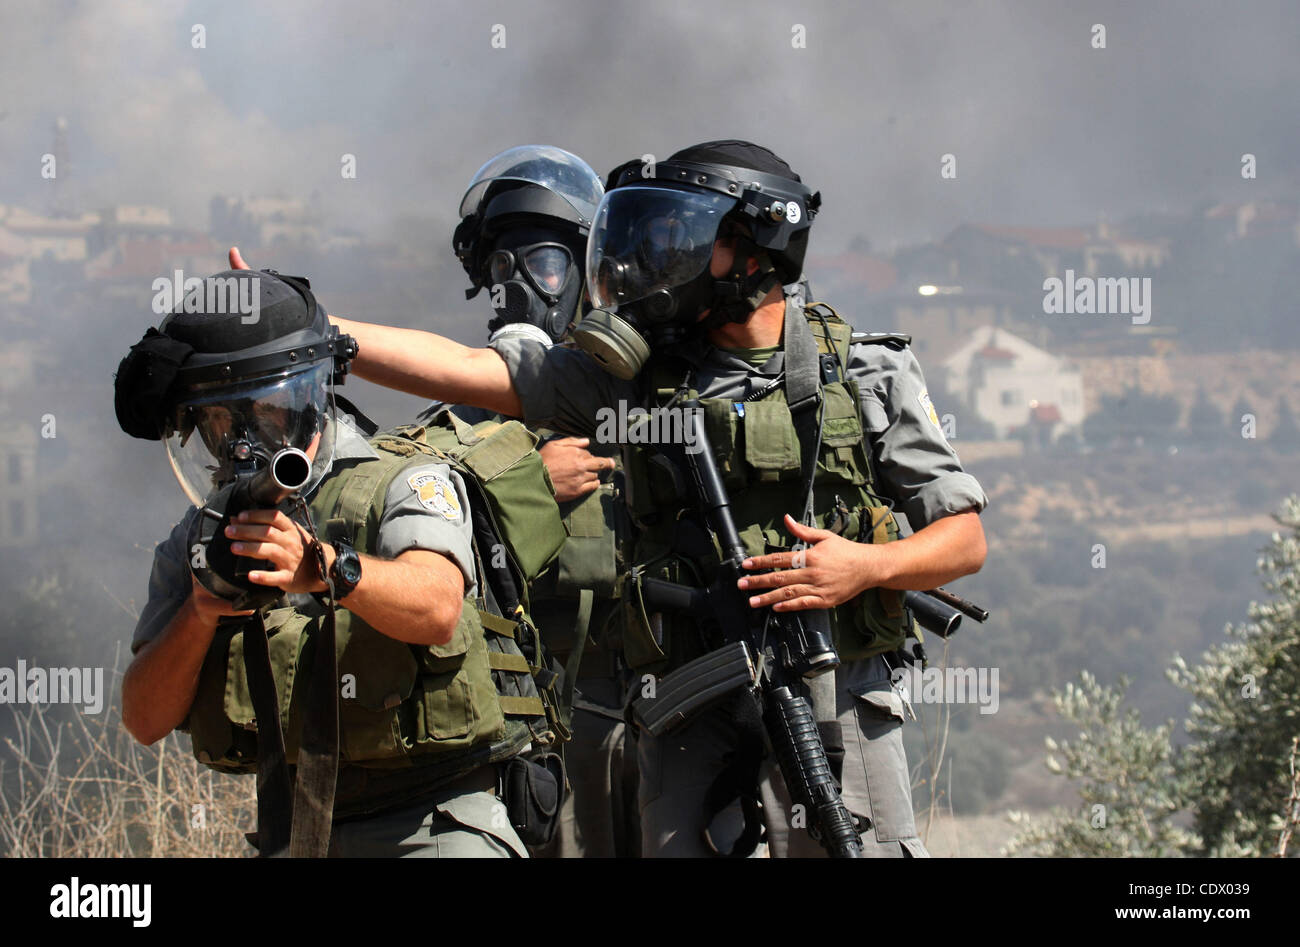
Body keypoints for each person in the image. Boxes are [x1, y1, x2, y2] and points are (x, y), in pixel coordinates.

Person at [229, 139, 988, 858]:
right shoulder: (634, 377)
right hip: (690, 702)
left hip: (835, 686)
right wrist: (312, 329)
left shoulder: (862, 372)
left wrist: (863, 567)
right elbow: (466, 366)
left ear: (761, 250)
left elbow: (963, 540)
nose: (662, 255)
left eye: (691, 236)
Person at [115, 268, 563, 857]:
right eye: (221, 419)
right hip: (297, 830)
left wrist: (325, 568)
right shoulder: (201, 538)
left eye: (265, 409)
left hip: (437, 821)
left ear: (308, 394)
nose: (245, 437)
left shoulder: (407, 481)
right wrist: (202, 608)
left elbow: (437, 607)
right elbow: (144, 719)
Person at [438, 145, 637, 858]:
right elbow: (423, 564)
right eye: (501, 268)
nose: (520, 285)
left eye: (544, 264)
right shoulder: (461, 417)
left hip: (642, 716)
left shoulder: (635, 401)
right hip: (520, 725)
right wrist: (529, 487)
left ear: (588, 276)